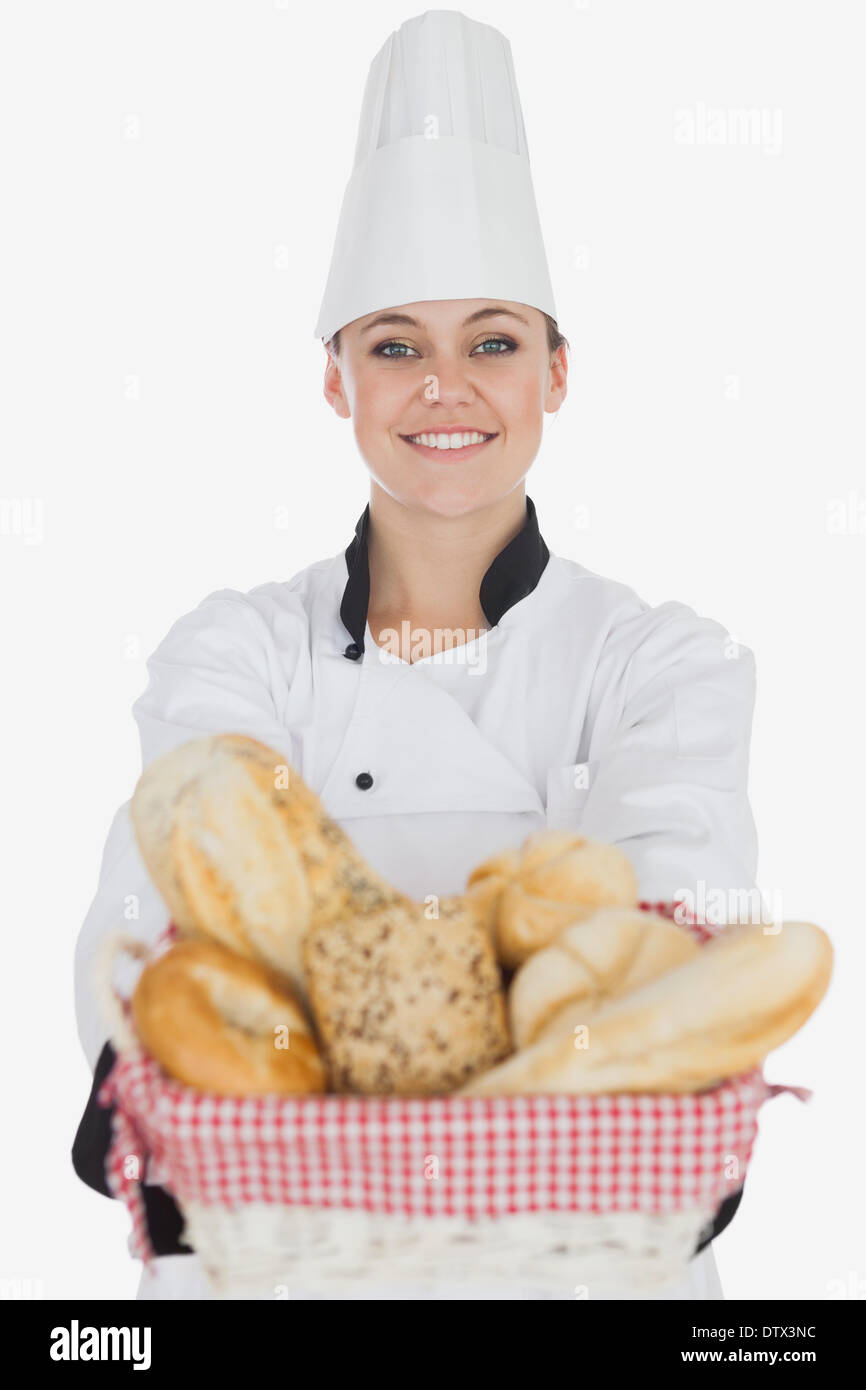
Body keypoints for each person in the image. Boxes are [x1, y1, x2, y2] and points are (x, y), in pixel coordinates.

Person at [72, 10, 758, 1301]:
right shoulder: (234, 654)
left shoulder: (660, 665)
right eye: (395, 346)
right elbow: (148, 925)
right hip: (278, 1268)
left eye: (492, 342)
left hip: (582, 1271)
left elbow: (687, 909)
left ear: (556, 374)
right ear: (336, 381)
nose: (445, 388)